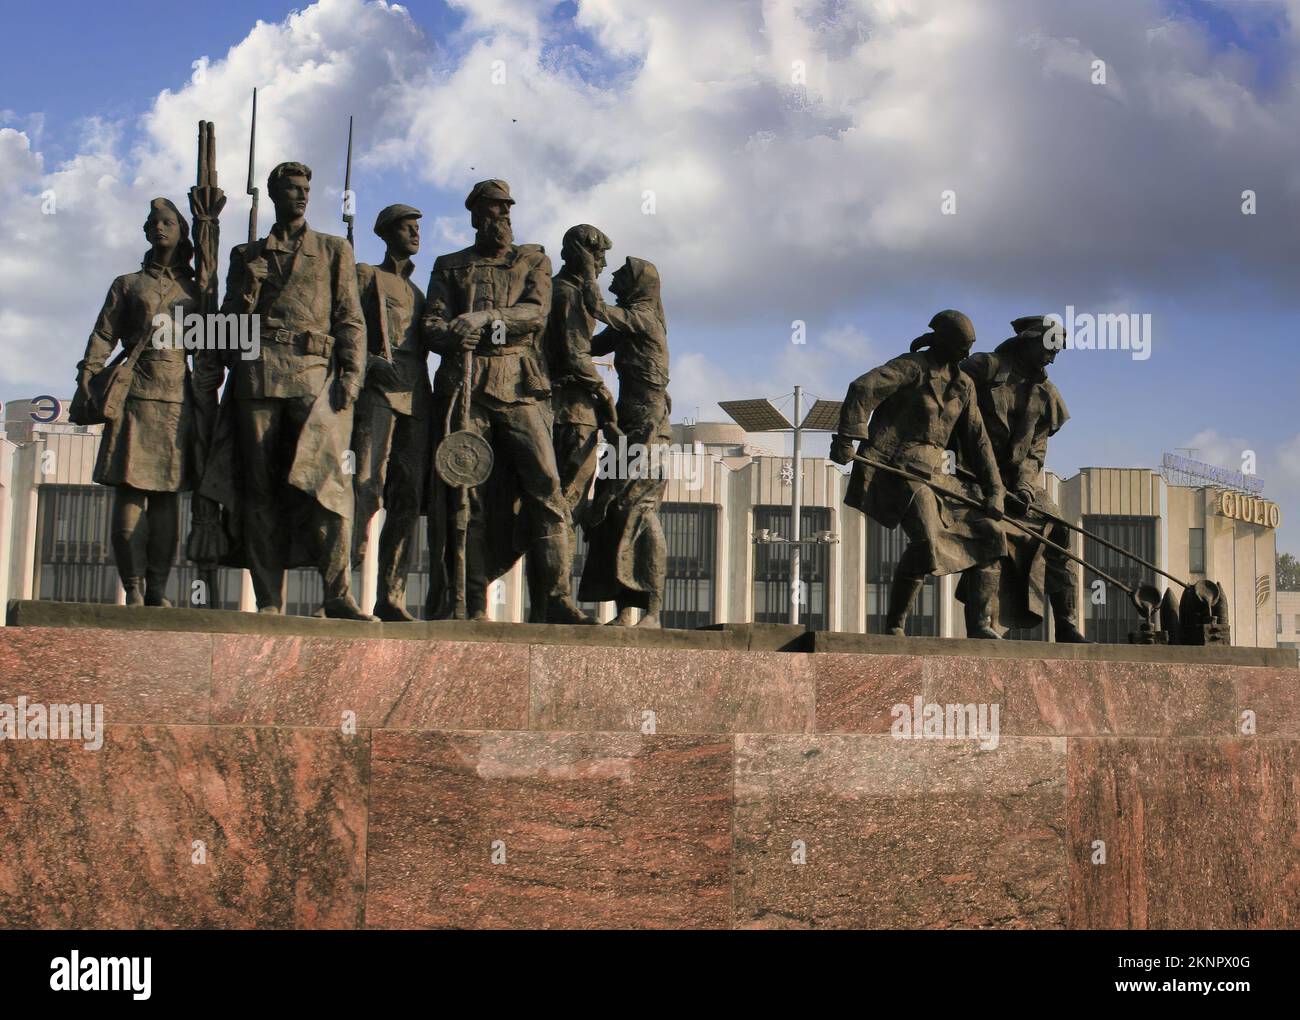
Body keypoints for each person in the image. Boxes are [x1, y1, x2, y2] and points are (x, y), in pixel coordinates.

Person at [197, 161, 370, 619]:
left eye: (306, 189)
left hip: (314, 379)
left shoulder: (333, 250)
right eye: (292, 189)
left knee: (328, 486)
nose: (301, 196)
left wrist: (352, 377)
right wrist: (247, 287)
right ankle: (269, 600)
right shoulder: (245, 254)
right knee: (260, 492)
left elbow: (350, 317)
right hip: (257, 379)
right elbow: (227, 330)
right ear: (274, 195)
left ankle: (337, 593)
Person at [421, 179, 590, 623]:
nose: (504, 219)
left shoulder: (532, 258)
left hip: (518, 384)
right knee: (465, 494)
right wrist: (453, 333)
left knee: (546, 488)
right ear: (477, 217)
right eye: (494, 211)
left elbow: (535, 312)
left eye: (507, 210)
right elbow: (431, 325)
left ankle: (556, 600)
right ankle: (468, 601)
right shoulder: (450, 265)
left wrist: (485, 319)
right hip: (467, 385)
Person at [829, 310, 1005, 636]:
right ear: (941, 340)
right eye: (959, 346)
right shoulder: (911, 368)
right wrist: (846, 437)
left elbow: (978, 440)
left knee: (993, 535)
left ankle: (980, 624)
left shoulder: (963, 385)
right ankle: (895, 623)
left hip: (937, 475)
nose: (965, 355)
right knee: (927, 542)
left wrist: (995, 490)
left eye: (969, 348)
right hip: (898, 469)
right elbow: (862, 388)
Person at [71, 197, 200, 607]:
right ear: (146, 233)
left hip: (178, 401)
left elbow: (214, 346)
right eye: (154, 223)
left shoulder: (198, 289)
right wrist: (89, 375)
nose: (160, 228)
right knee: (129, 497)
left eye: (168, 223)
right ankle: (134, 587)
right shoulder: (127, 284)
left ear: (181, 233)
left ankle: (159, 589)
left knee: (166, 502)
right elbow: (103, 335)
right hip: (135, 397)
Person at [956, 315, 1088, 642]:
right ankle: (980, 622)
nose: (1054, 357)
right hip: (970, 476)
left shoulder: (1046, 393)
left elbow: (1036, 449)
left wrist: (1027, 486)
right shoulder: (983, 368)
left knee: (1060, 534)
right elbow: (948, 408)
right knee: (990, 533)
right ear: (1028, 341)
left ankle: (1067, 624)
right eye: (1049, 348)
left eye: (1058, 351)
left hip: (1018, 483)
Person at [578, 257, 670, 628]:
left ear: (636, 283)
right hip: (625, 425)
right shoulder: (627, 325)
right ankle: (624, 609)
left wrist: (585, 273)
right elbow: (591, 346)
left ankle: (653, 610)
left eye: (619, 274)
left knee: (640, 511)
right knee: (613, 512)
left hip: (648, 429)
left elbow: (599, 309)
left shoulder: (643, 319)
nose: (612, 276)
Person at [351, 204, 432, 621]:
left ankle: (392, 594)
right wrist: (366, 363)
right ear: (386, 232)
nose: (416, 232)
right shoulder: (367, 275)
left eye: (418, 226)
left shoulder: (420, 293)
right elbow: (343, 327)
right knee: (365, 486)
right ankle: (340, 587)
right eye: (407, 227)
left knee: (408, 497)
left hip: (417, 395)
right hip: (379, 390)